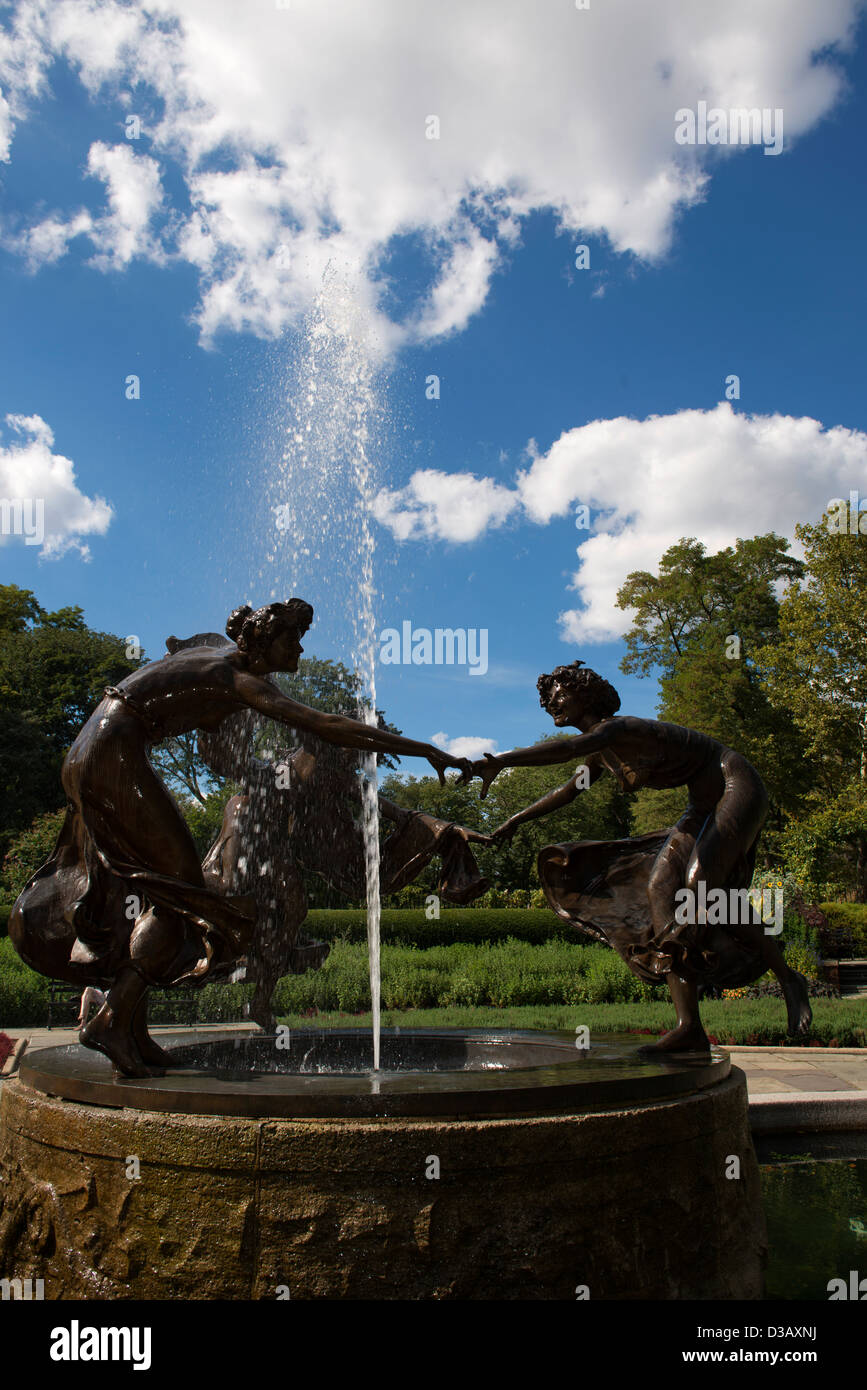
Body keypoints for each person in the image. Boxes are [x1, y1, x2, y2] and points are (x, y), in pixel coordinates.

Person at [9, 600, 468, 1076]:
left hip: (90, 751)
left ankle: (132, 1030)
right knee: (187, 898)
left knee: (152, 890)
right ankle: (110, 1020)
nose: (300, 648)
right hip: (113, 755)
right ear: (261, 642)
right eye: (290, 639)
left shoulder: (221, 659)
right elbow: (327, 727)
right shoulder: (237, 678)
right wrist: (425, 750)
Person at [461, 659, 811, 1052]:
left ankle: (787, 977)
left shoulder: (617, 729)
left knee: (699, 882)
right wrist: (514, 821)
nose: (551, 702)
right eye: (547, 698)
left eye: (560, 693)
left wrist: (503, 760)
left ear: (585, 694)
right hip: (702, 805)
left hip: (736, 784)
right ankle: (689, 1027)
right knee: (660, 888)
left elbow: (568, 748)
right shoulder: (600, 754)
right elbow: (569, 790)